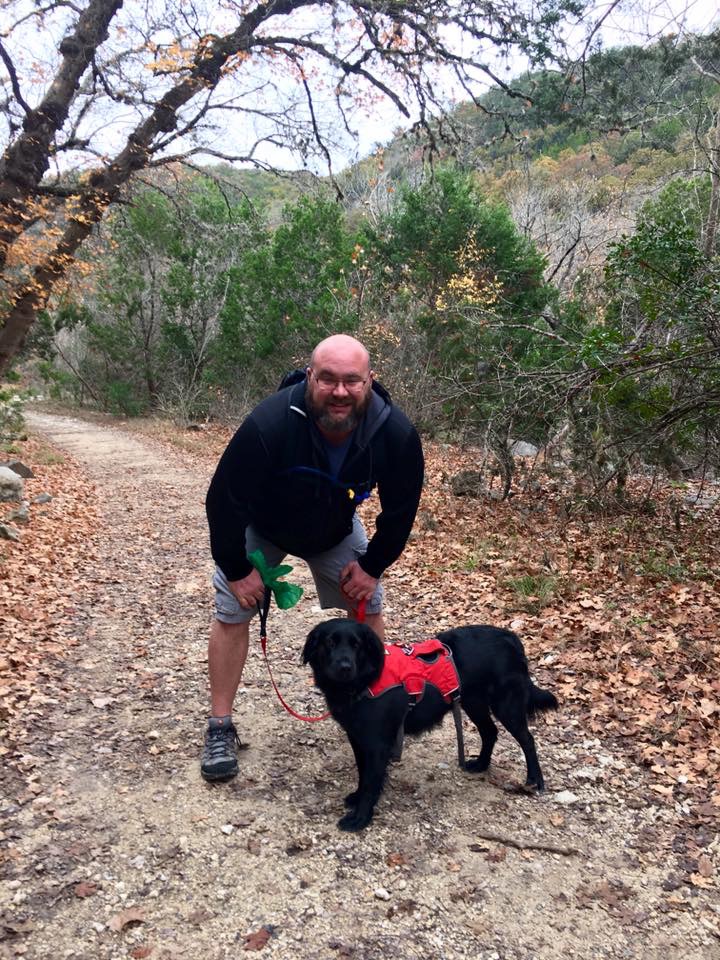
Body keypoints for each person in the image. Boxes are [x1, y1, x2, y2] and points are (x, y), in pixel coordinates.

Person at [201, 334, 424, 781]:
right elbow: (222, 503)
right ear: (310, 377)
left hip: (334, 532)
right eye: (327, 379)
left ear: (369, 381)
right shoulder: (270, 423)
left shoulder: (394, 434)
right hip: (264, 528)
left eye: (351, 381)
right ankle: (219, 727)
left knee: (370, 605)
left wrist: (372, 566)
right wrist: (238, 569)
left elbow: (400, 512)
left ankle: (378, 711)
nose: (339, 392)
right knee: (231, 610)